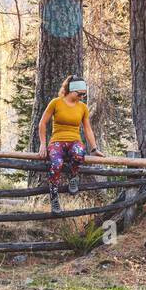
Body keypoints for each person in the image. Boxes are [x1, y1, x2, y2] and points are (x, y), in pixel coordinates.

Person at [39, 75, 101, 213]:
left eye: (84, 95)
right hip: (57, 141)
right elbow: (42, 123)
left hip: (74, 141)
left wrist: (94, 147)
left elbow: (87, 128)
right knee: (56, 164)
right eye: (80, 94)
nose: (82, 97)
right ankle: (54, 197)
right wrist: (43, 144)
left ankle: (73, 176)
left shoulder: (83, 107)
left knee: (79, 154)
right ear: (72, 91)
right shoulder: (56, 103)